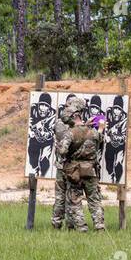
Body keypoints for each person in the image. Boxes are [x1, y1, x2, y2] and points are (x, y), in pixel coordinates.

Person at [58, 110, 106, 232]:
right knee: (94, 200)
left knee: (75, 201)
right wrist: (100, 127)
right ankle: (99, 226)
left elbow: (62, 151)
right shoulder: (93, 132)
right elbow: (100, 138)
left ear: (72, 118)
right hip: (90, 170)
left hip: (74, 172)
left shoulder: (70, 133)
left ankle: (81, 227)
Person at [49, 94, 83, 229]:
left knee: (59, 197)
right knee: (72, 197)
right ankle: (70, 225)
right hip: (72, 166)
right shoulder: (76, 125)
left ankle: (56, 223)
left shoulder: (58, 122)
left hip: (60, 165)